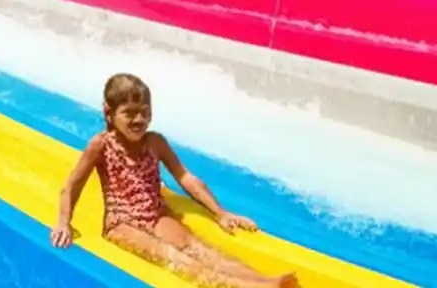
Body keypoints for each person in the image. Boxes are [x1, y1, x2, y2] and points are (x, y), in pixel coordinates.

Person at [52, 74, 298, 288]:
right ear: (108, 113)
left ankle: (263, 281)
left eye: (145, 113)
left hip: (156, 216)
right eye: (129, 113)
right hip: (121, 224)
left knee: (199, 249)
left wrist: (221, 213)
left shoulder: (155, 142)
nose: (139, 120)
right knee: (175, 259)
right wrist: (64, 222)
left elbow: (185, 177)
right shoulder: (101, 145)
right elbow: (73, 184)